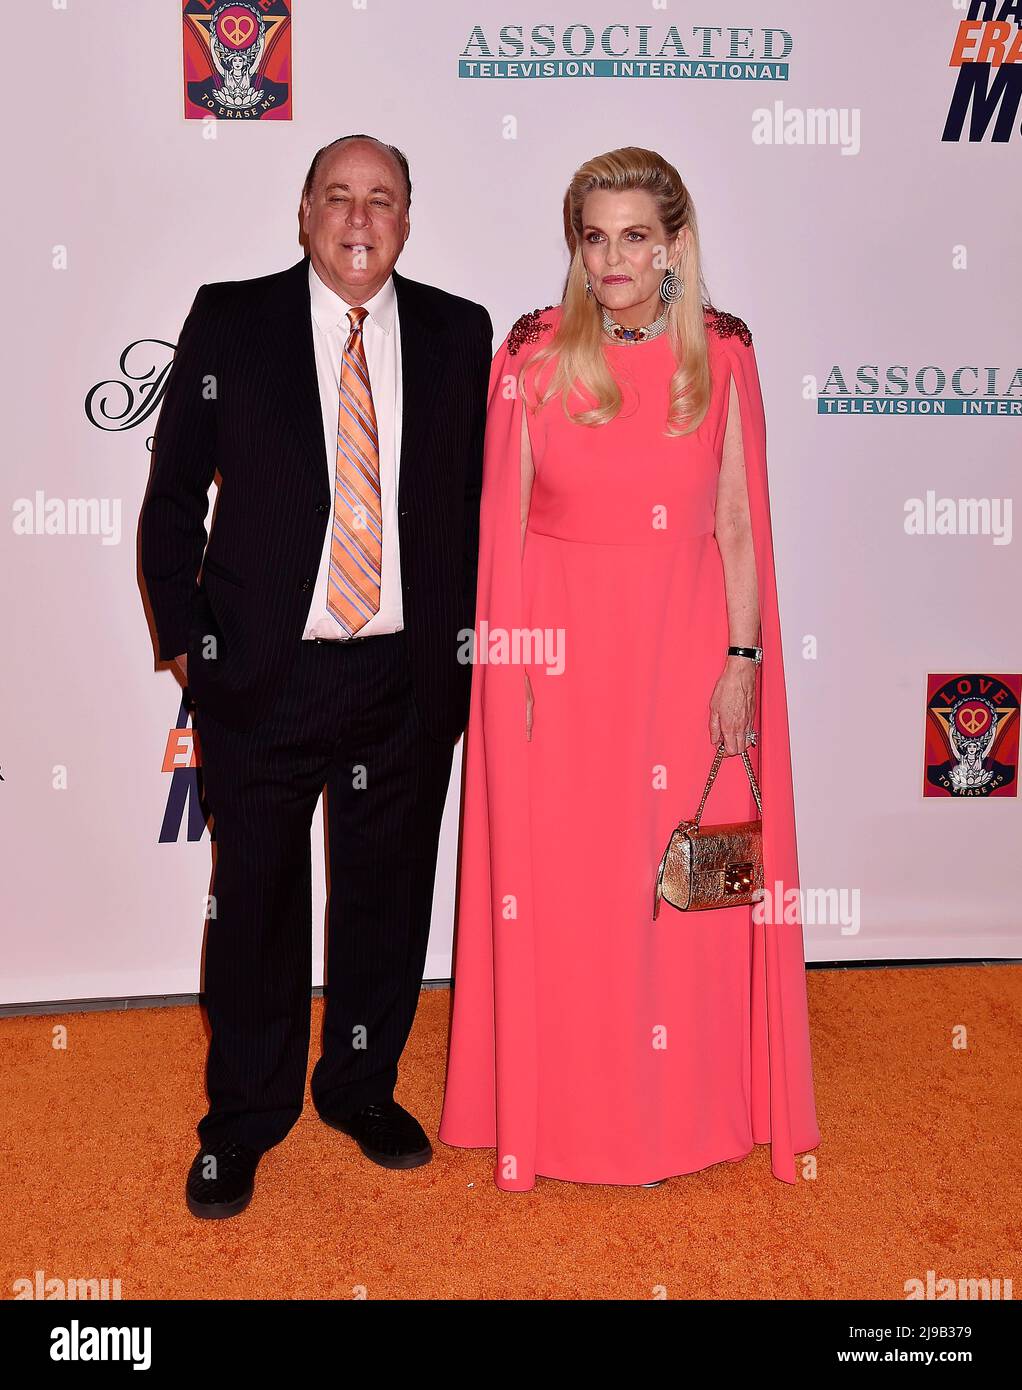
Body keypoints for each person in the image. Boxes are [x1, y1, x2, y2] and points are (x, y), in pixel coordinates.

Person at [439, 146, 820, 1189]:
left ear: (673, 246)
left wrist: (740, 660)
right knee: (569, 886)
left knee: (674, 882)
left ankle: (680, 1112)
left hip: (685, 641)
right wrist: (508, 668)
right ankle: (566, 1113)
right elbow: (501, 528)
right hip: (558, 651)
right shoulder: (529, 353)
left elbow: (737, 525)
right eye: (593, 236)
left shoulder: (724, 355)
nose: (611, 258)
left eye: (634, 236)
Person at [139, 134, 492, 1218]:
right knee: (255, 905)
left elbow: (489, 501)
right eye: (337, 196)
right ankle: (242, 1120)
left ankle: (358, 1085)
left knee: (385, 901)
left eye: (380, 199)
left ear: (406, 219)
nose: (358, 216)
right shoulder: (231, 319)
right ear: (302, 213)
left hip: (404, 677)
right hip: (266, 676)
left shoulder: (456, 331)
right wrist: (200, 651)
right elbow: (168, 504)